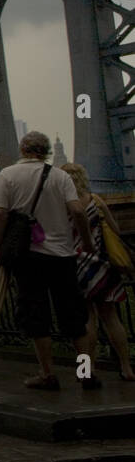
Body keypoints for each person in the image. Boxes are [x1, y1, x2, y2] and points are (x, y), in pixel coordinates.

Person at [0, 132, 99, 390]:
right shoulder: (60, 176)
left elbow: (0, 215)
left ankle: (48, 374)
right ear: (47, 151)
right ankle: (86, 373)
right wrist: (86, 241)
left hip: (27, 257)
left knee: (36, 316)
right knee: (74, 317)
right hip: (62, 255)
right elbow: (78, 210)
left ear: (22, 150)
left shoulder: (7, 175)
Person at [59, 162, 134, 381]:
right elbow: (116, 230)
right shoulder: (96, 201)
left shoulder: (62, 206)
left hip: (76, 268)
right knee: (111, 318)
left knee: (86, 321)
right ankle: (127, 368)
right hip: (103, 265)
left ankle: (86, 371)